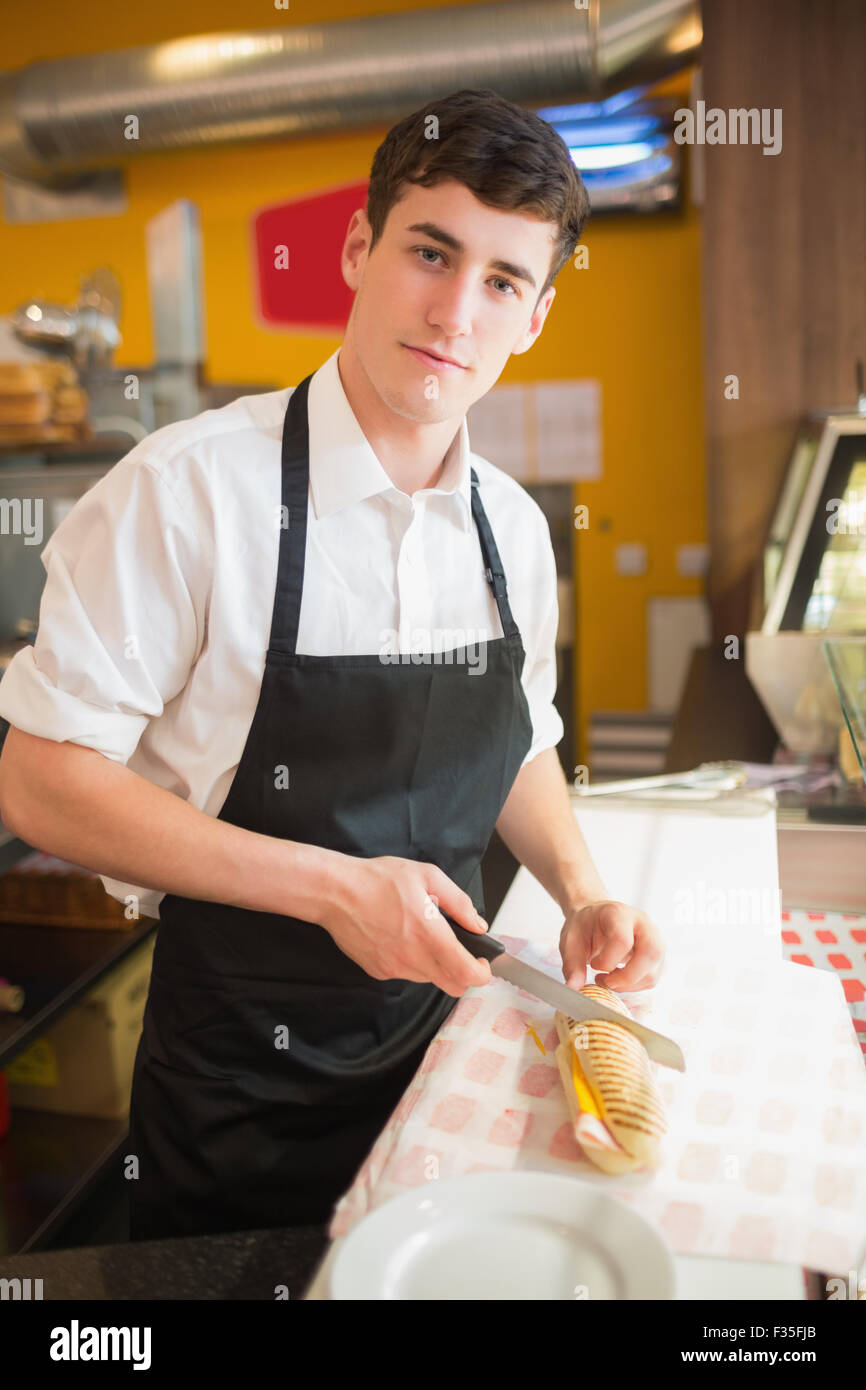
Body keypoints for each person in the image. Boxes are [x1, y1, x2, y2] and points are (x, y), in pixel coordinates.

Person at [0, 87, 664, 1240]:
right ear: (359, 248)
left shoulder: (511, 527)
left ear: (534, 315)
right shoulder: (186, 490)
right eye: (429, 251)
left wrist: (581, 887)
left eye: (501, 281)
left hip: (444, 1065)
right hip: (235, 1104)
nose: (456, 311)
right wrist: (333, 889)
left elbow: (521, 737)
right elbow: (41, 779)